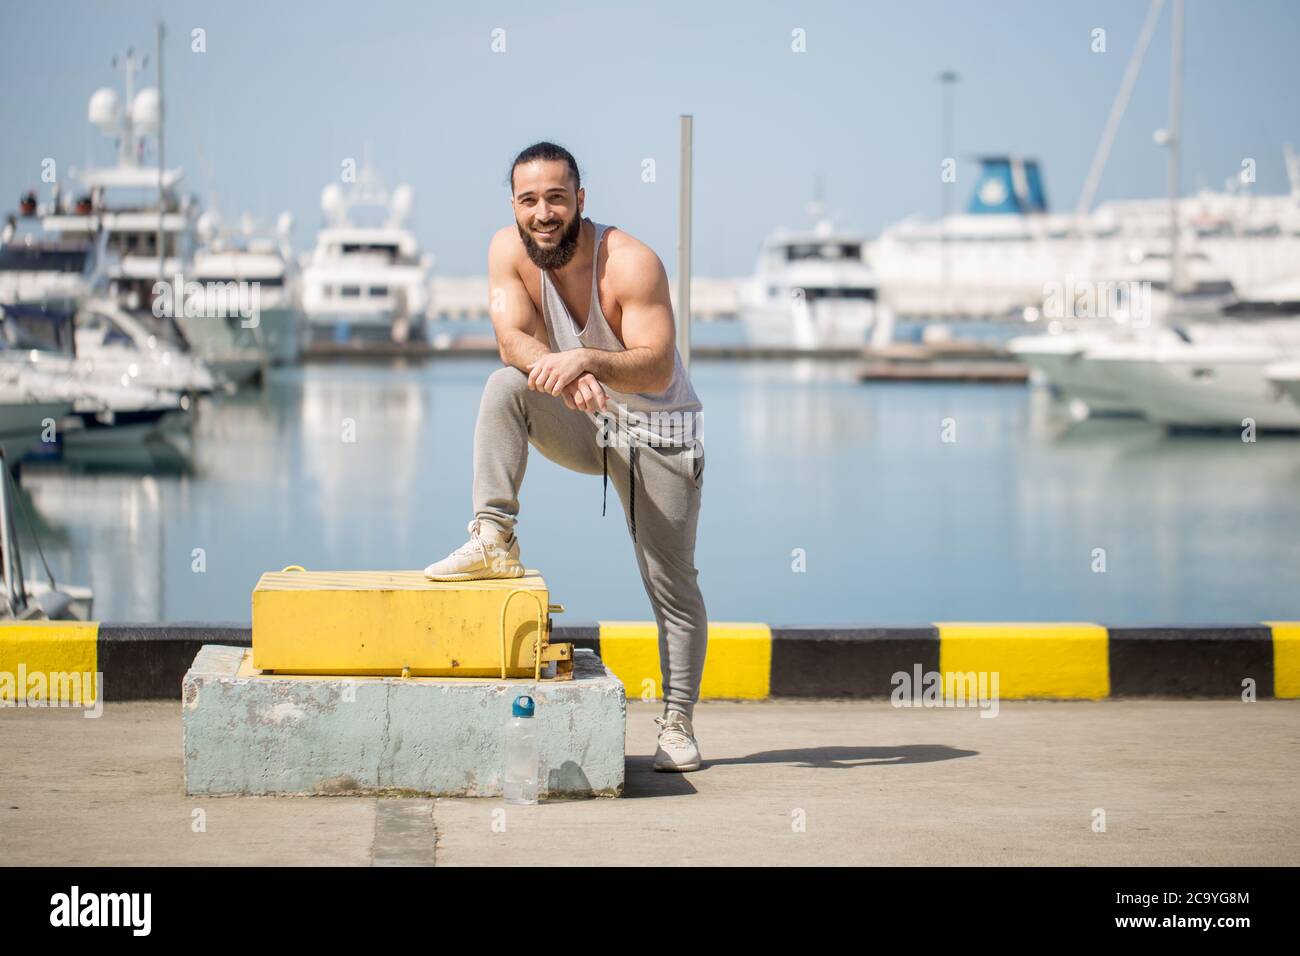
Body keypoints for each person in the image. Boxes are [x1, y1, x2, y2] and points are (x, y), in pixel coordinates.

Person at [424, 141, 708, 772]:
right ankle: (494, 535)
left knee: (671, 583)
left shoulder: (630, 263)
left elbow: (657, 361)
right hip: (586, 421)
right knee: (505, 388)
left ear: (580, 200)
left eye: (557, 197)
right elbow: (510, 338)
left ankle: (679, 722)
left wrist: (586, 358)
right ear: (515, 205)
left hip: (660, 433)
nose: (543, 212)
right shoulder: (507, 251)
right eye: (530, 200)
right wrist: (561, 371)